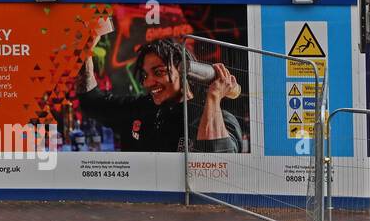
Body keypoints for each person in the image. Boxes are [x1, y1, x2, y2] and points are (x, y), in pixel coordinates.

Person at [76, 37, 245, 153]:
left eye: (159, 72)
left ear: (185, 72)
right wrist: (86, 51)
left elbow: (219, 163)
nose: (148, 83)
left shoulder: (221, 119)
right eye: (144, 75)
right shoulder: (140, 109)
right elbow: (91, 101)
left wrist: (214, 98)